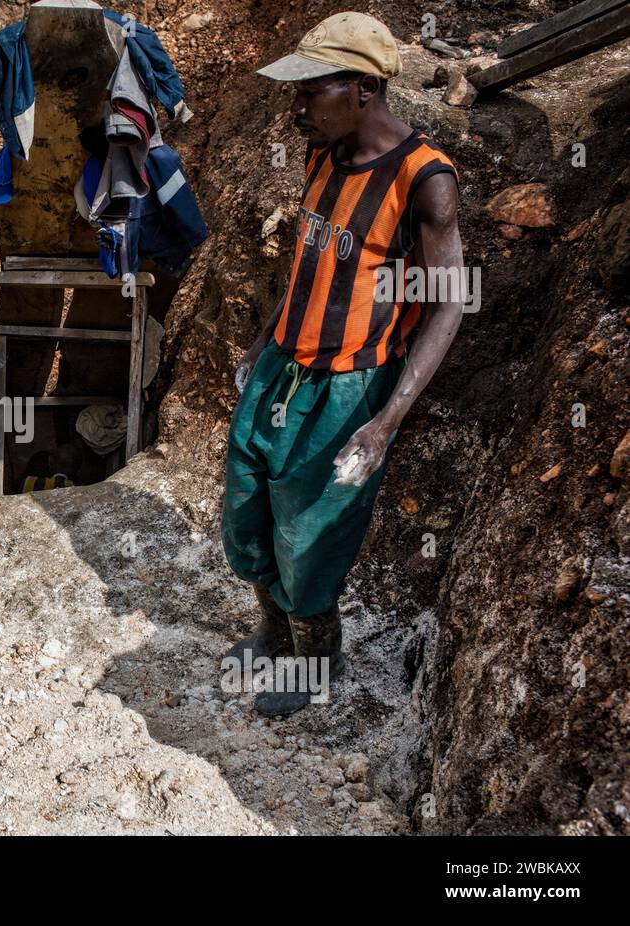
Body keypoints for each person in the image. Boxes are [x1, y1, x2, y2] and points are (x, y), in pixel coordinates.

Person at [220, 12, 465, 715]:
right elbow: (309, 263)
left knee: (310, 537)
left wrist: (388, 418)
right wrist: (265, 338)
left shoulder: (426, 181)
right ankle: (272, 633)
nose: (294, 109)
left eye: (308, 93)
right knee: (247, 513)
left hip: (348, 389)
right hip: (280, 370)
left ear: (363, 89)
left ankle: (312, 665)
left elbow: (447, 305)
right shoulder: (321, 155)